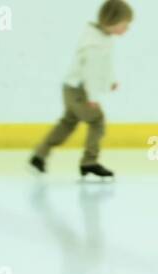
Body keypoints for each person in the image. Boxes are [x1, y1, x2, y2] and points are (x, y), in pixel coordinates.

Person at [30, 0, 134, 178]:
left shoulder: (101, 37)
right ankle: (89, 162)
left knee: (67, 124)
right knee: (97, 121)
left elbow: (103, 66)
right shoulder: (94, 44)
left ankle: (40, 155)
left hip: (71, 88)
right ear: (111, 21)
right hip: (80, 90)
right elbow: (90, 72)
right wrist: (92, 97)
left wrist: (110, 81)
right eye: (124, 24)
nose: (127, 29)